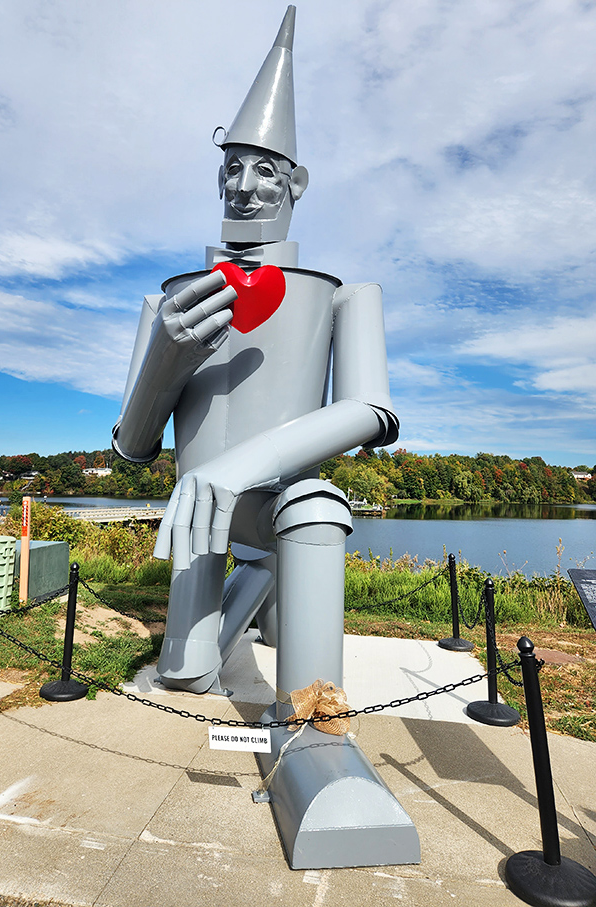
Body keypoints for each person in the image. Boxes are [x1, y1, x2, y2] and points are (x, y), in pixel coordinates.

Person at [112, 6, 398, 704]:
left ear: (295, 185)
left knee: (315, 509)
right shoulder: (171, 302)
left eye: (265, 171)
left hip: (274, 496)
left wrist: (239, 467)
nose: (243, 188)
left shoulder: (343, 295)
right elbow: (134, 448)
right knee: (186, 673)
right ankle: (257, 584)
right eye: (232, 169)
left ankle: (314, 725)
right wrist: (163, 365)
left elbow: (373, 409)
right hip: (197, 508)